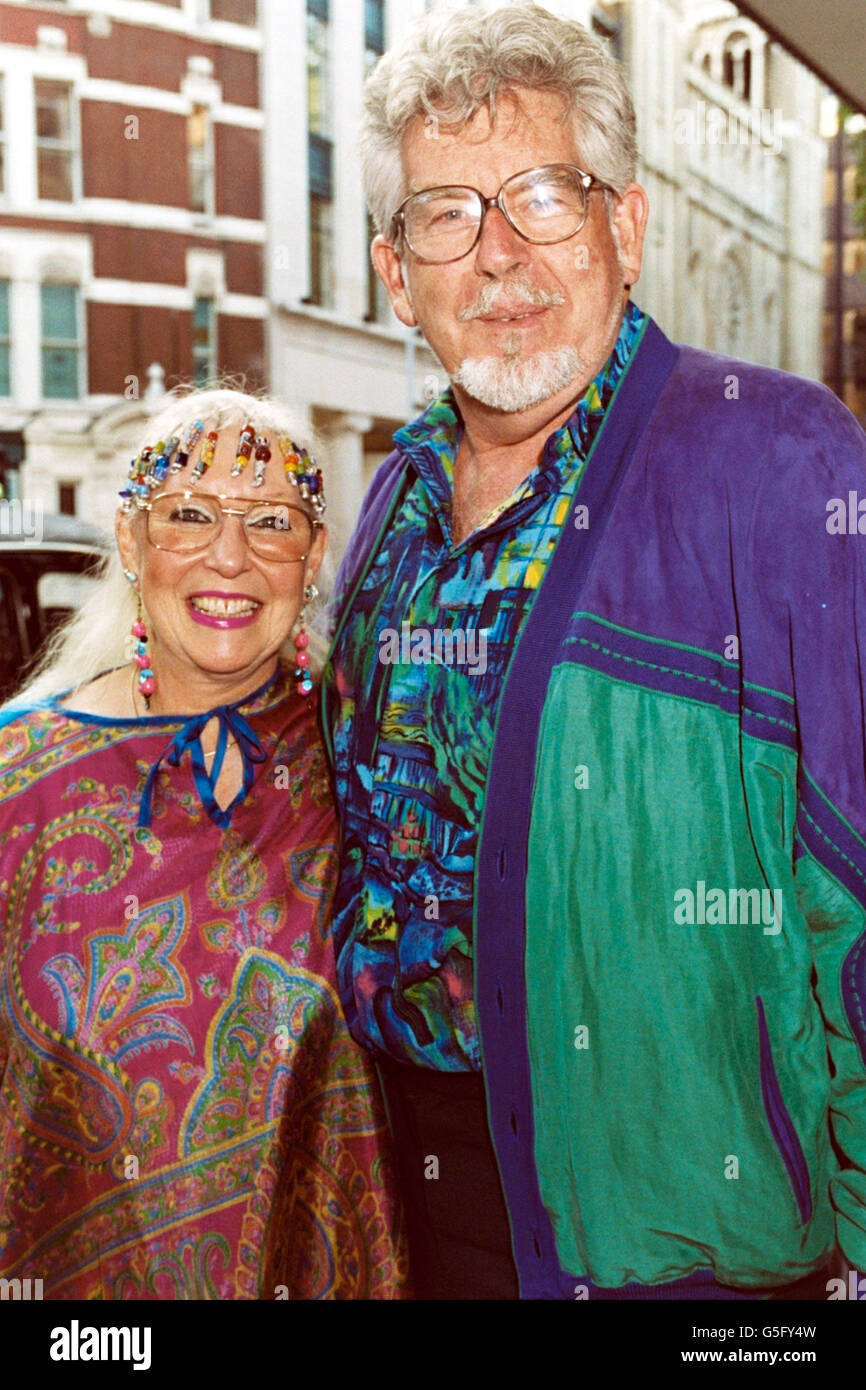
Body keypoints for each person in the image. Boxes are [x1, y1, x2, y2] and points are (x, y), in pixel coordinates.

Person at [322, 2, 866, 1300]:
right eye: (447, 213)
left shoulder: (781, 465)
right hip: (415, 1208)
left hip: (684, 1245)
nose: (499, 254)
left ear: (623, 223)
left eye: (543, 196)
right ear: (398, 273)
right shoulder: (388, 509)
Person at [0, 386, 408, 1299]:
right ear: (134, 544)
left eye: (271, 521)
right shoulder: (16, 778)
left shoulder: (371, 761)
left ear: (312, 562)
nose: (231, 557)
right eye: (189, 514)